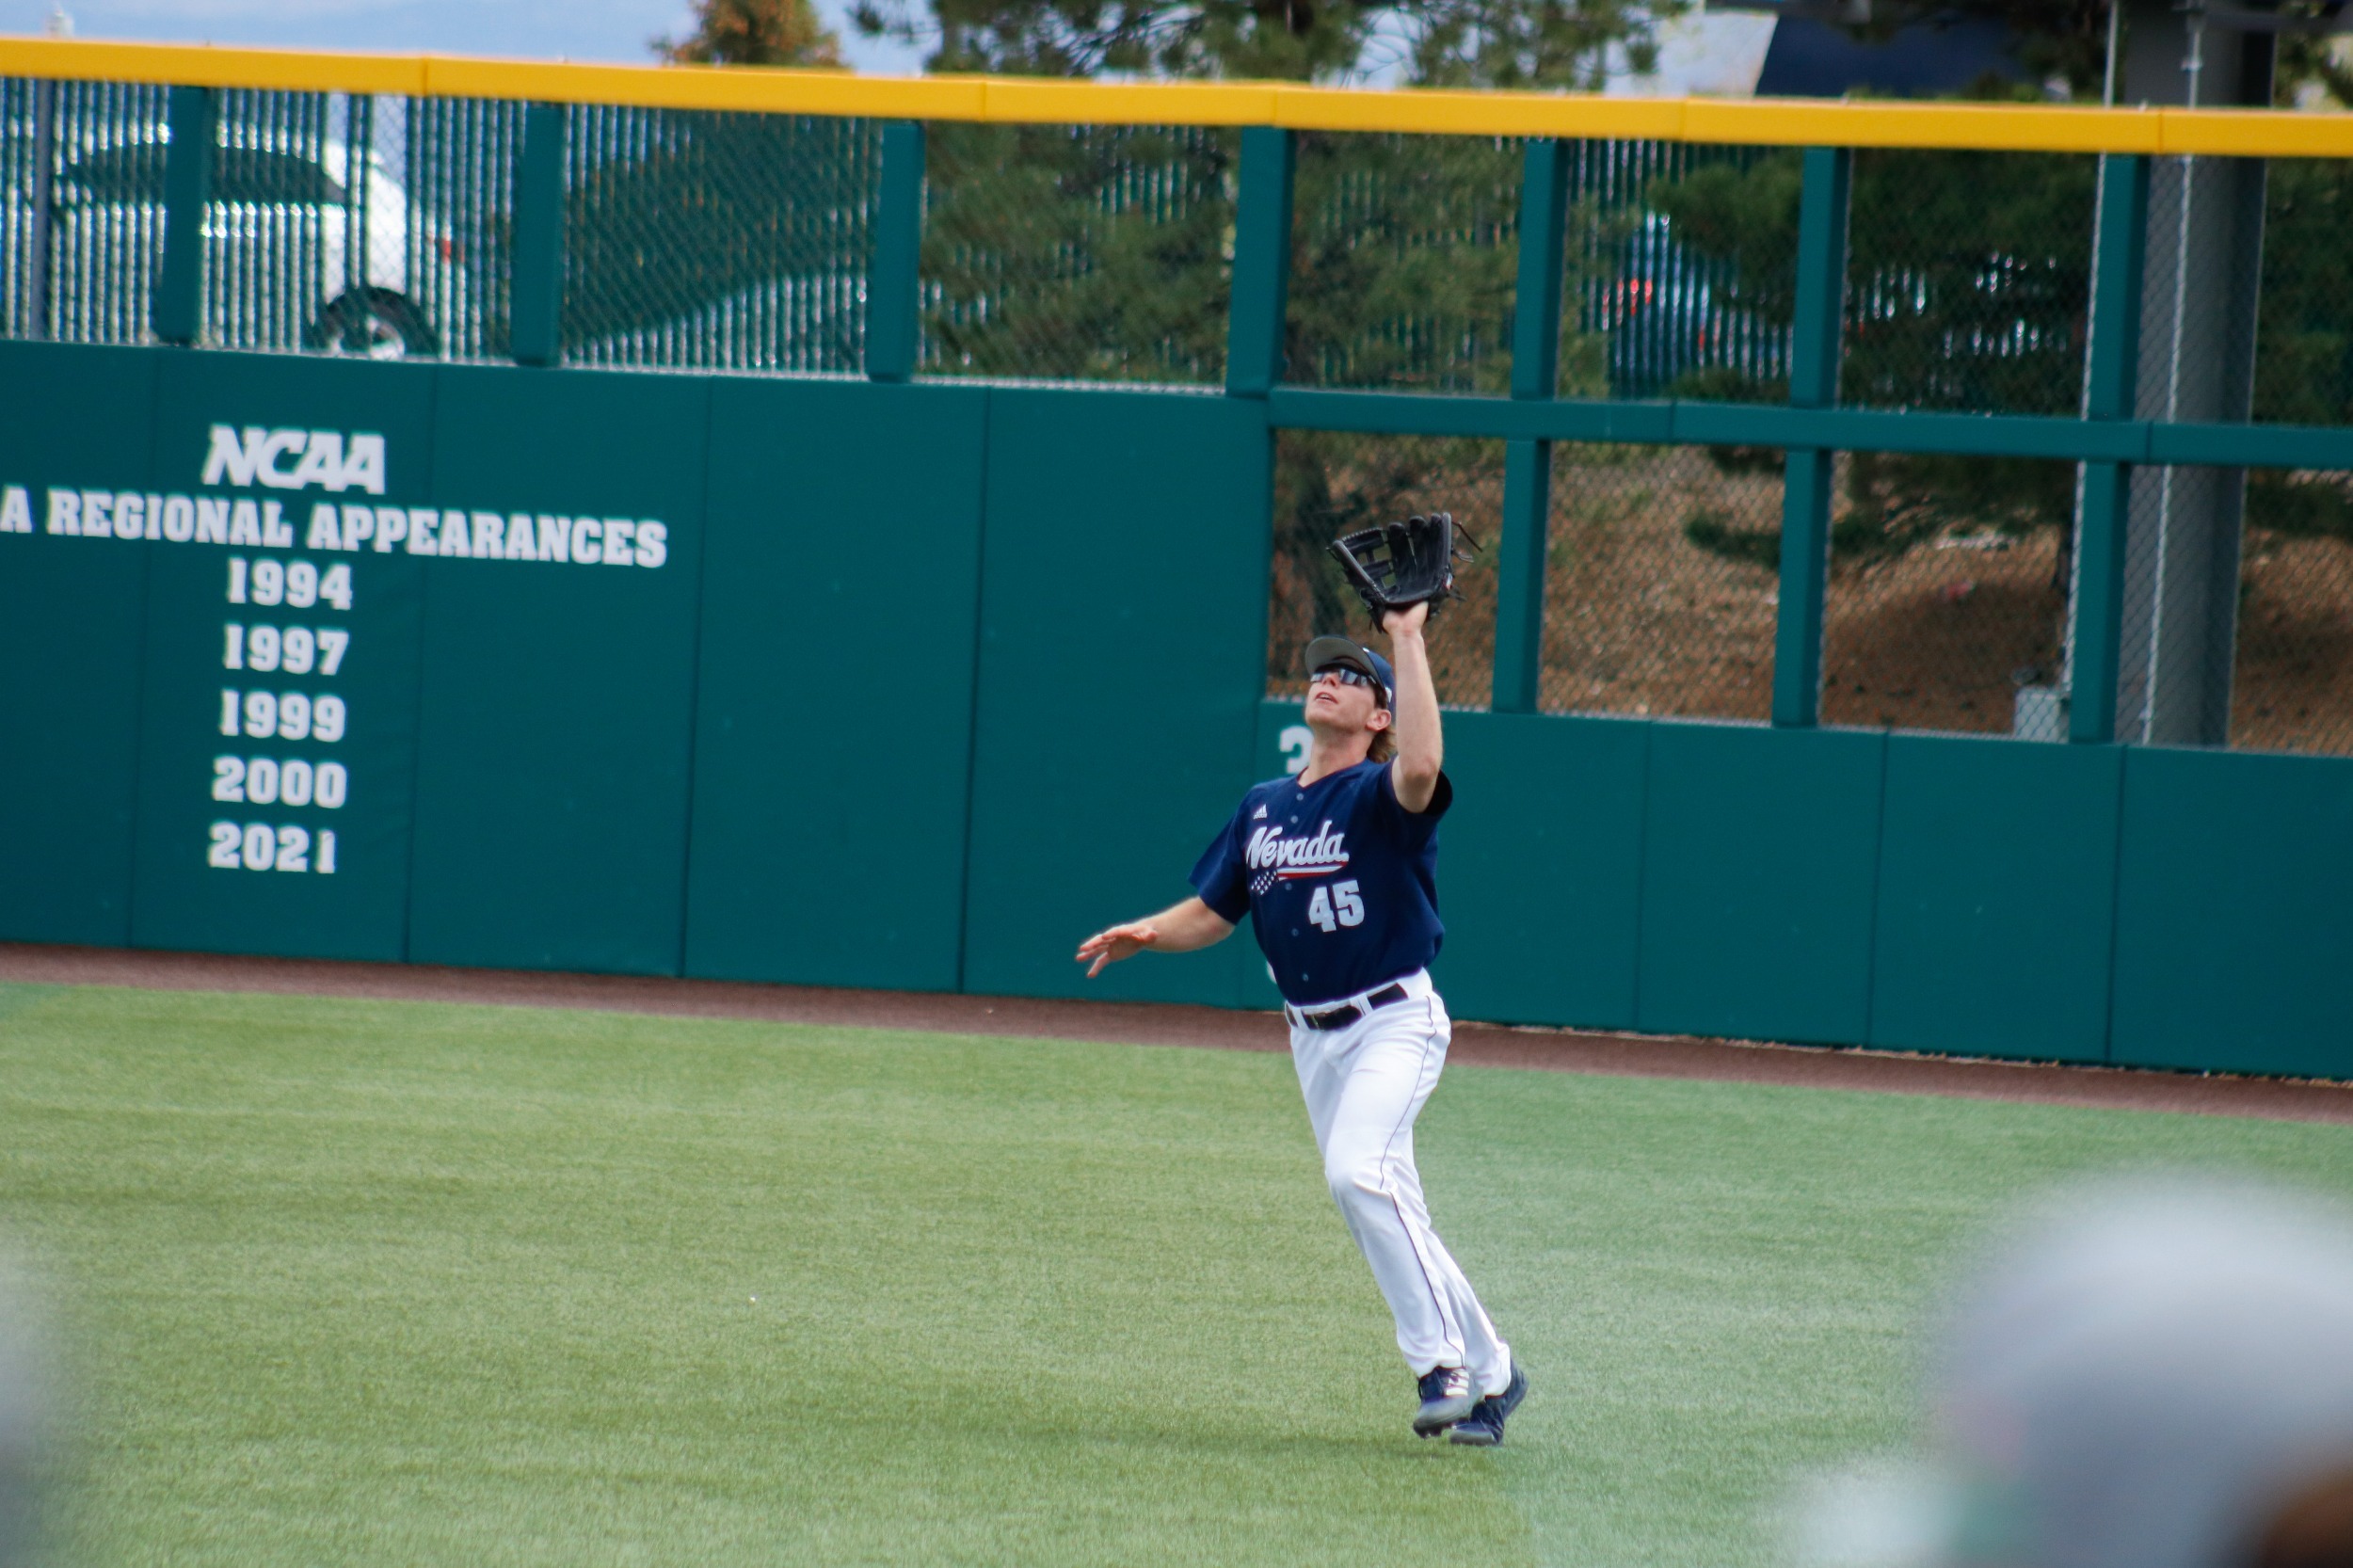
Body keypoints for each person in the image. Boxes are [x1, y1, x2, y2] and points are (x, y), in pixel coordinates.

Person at [1075, 600, 1526, 1446]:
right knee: (1387, 1202)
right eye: (1323, 670)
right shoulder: (1264, 806)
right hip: (1312, 1037)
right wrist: (1150, 931)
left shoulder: (1380, 792)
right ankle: (1497, 1373)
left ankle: (1441, 1365)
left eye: (1352, 679)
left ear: (1378, 716)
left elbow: (1425, 764)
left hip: (1393, 1019)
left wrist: (1406, 637)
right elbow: (1215, 912)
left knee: (1359, 1174)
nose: (1329, 679)